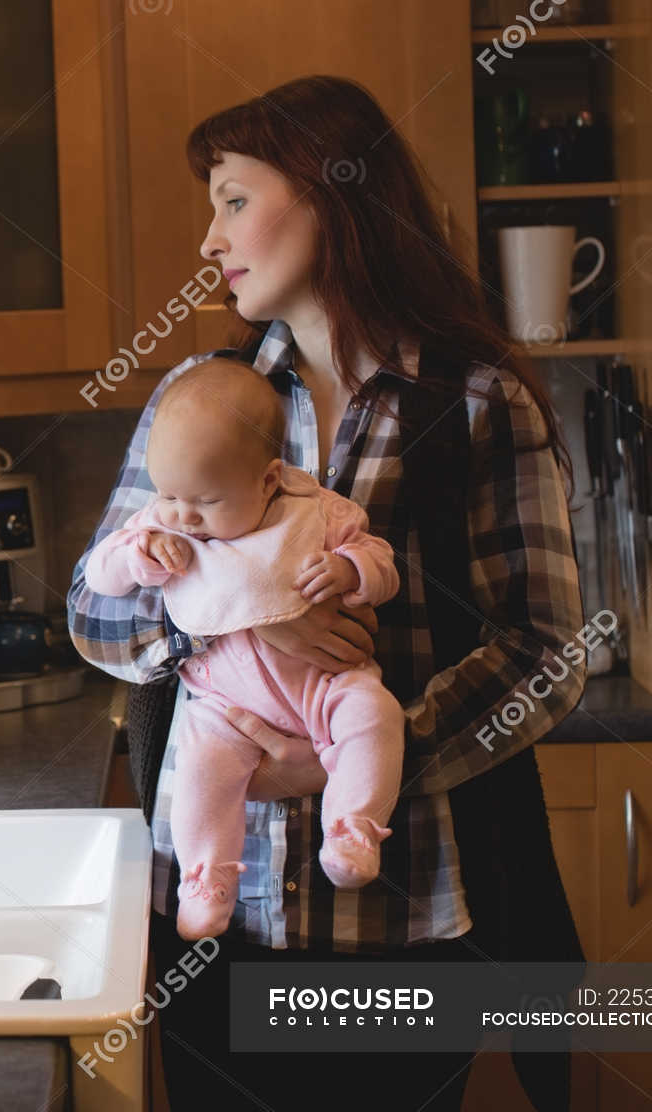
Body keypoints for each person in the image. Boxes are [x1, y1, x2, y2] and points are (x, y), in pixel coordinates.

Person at [67, 75, 586, 1110]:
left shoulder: (477, 404)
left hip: (402, 917)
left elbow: (545, 652)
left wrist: (356, 763)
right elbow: (94, 614)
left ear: (331, 196)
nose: (210, 242)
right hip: (222, 916)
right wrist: (244, 609)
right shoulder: (194, 402)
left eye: (232, 200)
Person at [83, 358, 405, 940]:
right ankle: (206, 881)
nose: (185, 516)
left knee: (375, 714)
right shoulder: (166, 521)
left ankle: (353, 828)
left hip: (324, 687)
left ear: (267, 480)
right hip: (223, 704)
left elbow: (383, 565)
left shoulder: (317, 515)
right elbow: (96, 583)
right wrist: (139, 556)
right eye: (171, 495)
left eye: (205, 501)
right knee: (202, 776)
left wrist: (347, 569)